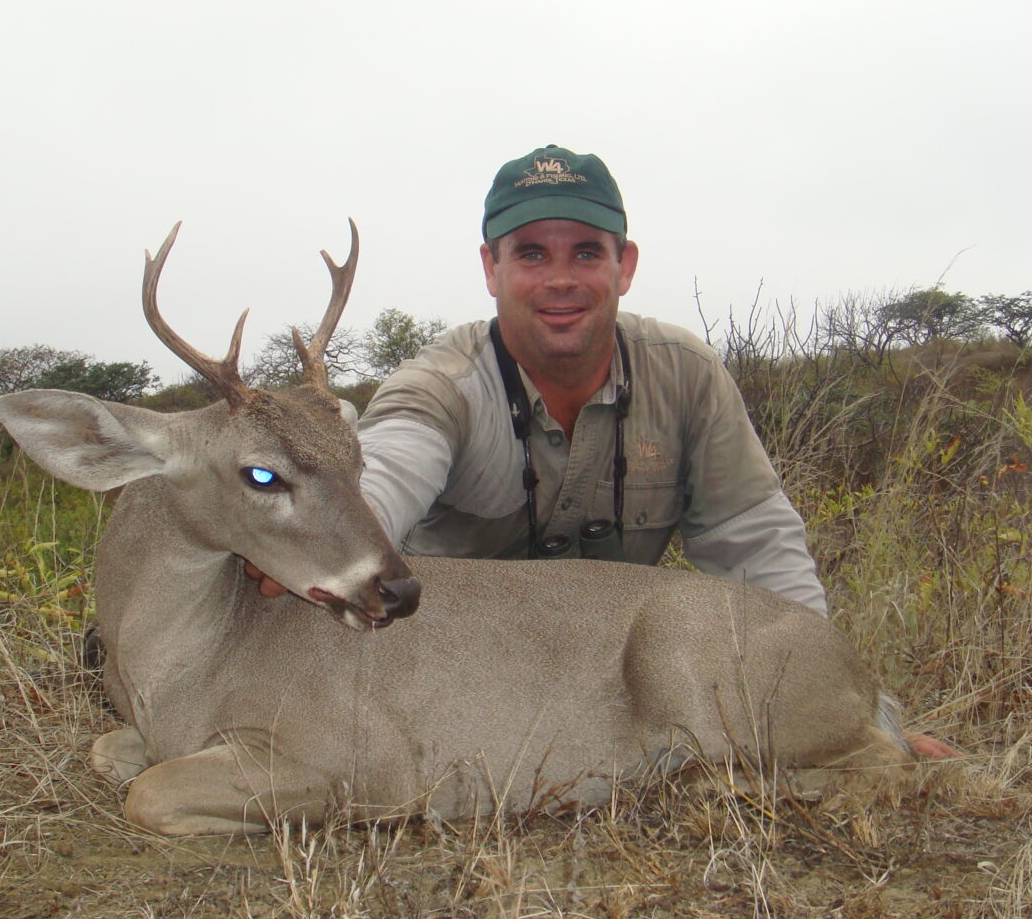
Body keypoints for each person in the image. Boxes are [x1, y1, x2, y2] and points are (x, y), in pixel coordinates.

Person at [252, 144, 826, 612]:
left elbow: (760, 549)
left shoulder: (687, 374)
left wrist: (839, 707)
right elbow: (385, 474)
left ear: (623, 266)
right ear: (490, 268)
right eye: (530, 255)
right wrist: (316, 537)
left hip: (618, 670)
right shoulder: (441, 385)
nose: (559, 280)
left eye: (584, 254)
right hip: (448, 675)